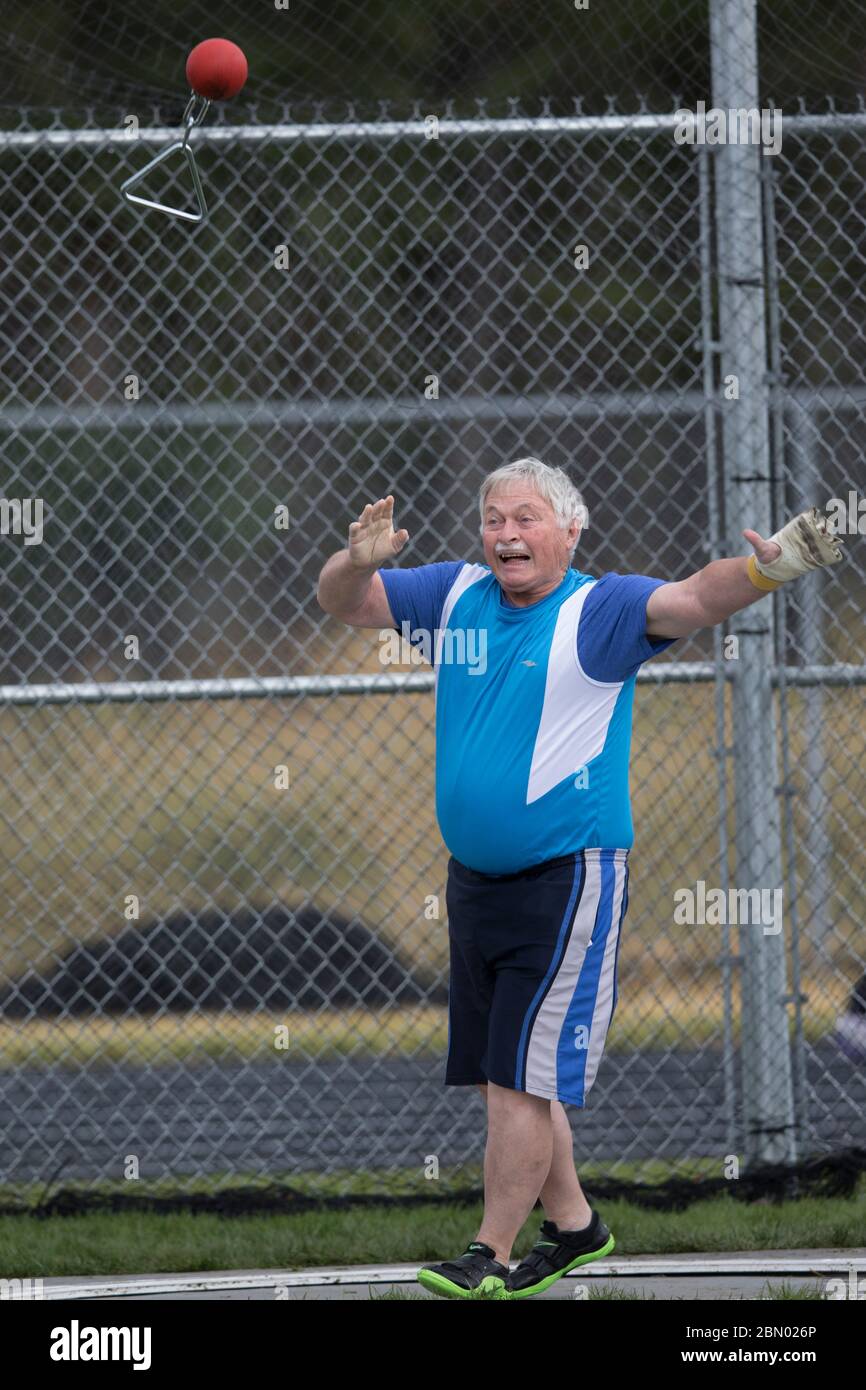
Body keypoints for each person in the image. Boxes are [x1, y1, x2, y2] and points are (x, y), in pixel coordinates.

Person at [316, 455, 844, 1300]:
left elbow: (697, 597)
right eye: (494, 518)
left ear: (570, 528)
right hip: (476, 881)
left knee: (522, 1079)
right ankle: (576, 1228)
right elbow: (345, 602)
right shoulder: (455, 598)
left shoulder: (597, 611)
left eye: (526, 518)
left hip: (568, 878)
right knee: (508, 1069)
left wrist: (768, 565)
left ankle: (488, 1254)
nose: (506, 535)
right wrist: (359, 559)